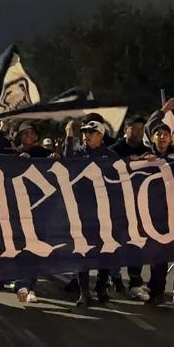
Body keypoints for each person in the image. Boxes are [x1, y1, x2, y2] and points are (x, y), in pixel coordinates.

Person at [63, 120, 116, 307]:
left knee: (106, 251)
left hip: (105, 211)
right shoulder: (79, 152)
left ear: (101, 135)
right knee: (82, 251)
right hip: (82, 211)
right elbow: (67, 162)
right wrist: (69, 137)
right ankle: (84, 292)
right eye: (85, 132)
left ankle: (101, 288)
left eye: (91, 133)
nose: (87, 136)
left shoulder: (109, 155)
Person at [143, 121, 174, 310]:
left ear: (170, 138)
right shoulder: (147, 158)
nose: (162, 137)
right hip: (158, 215)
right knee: (158, 257)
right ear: (153, 138)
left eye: (165, 134)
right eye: (158, 134)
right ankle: (156, 292)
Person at [12, 123, 51, 303]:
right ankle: (21, 283)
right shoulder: (13, 153)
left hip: (40, 208)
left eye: (31, 133)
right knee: (21, 246)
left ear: (37, 136)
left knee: (35, 246)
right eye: (24, 133)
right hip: (18, 206)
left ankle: (30, 286)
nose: (28, 136)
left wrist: (58, 155)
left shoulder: (44, 154)